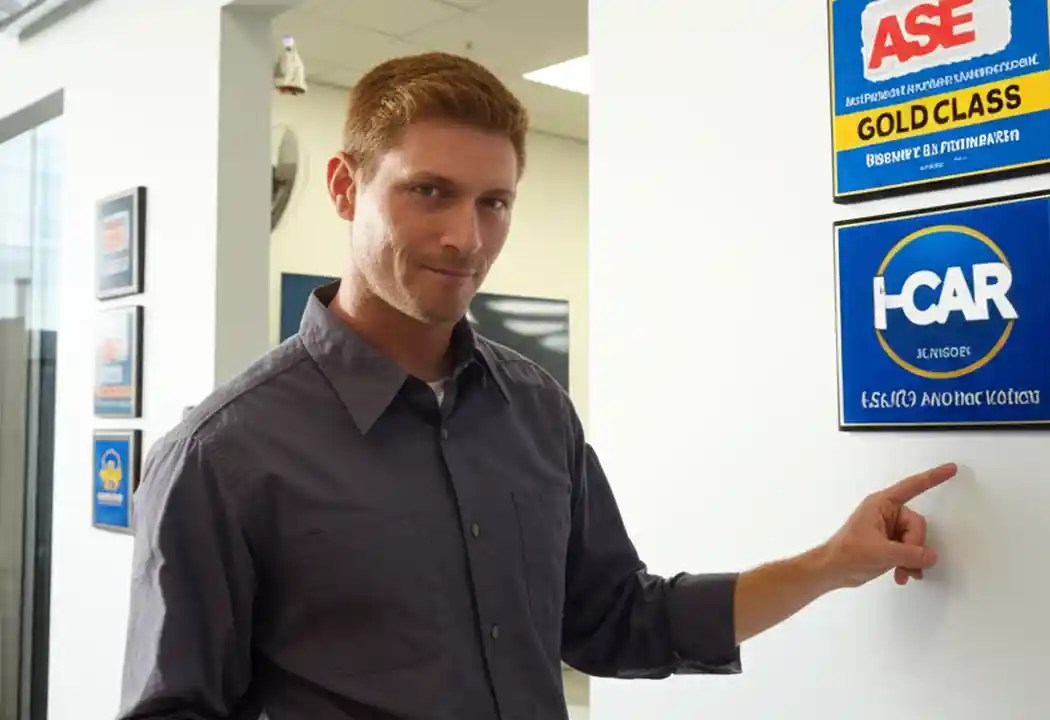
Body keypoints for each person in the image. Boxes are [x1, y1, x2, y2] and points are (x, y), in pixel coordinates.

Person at [118, 52, 955, 720]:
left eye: (495, 203)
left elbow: (618, 620)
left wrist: (831, 565)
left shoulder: (534, 407)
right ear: (345, 187)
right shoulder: (221, 456)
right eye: (429, 193)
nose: (466, 238)